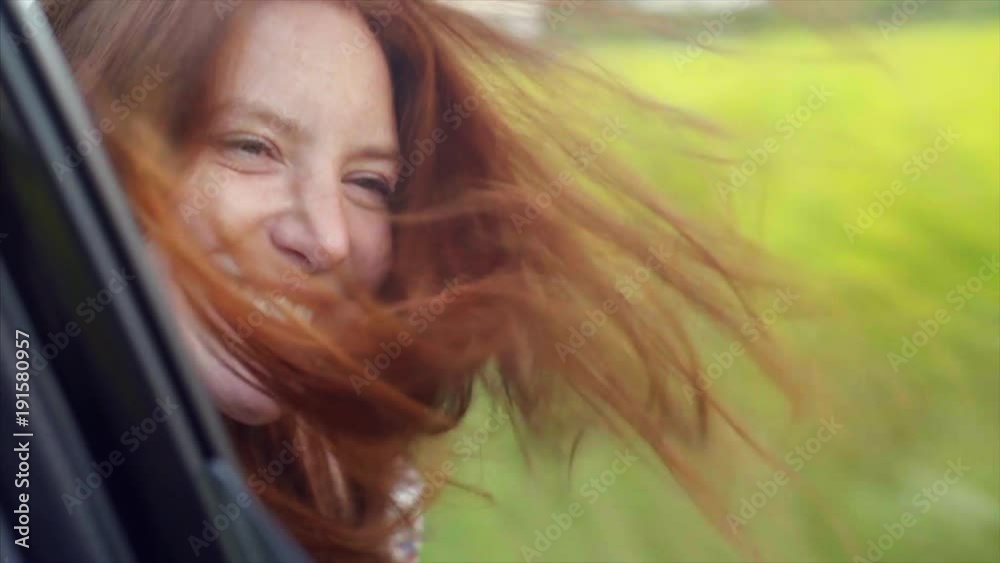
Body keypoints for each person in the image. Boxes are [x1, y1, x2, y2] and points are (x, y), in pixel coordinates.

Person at [44, 1, 796, 561]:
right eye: (253, 146)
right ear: (90, 141)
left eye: (368, 182)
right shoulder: (32, 435)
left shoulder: (352, 493)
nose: (329, 238)